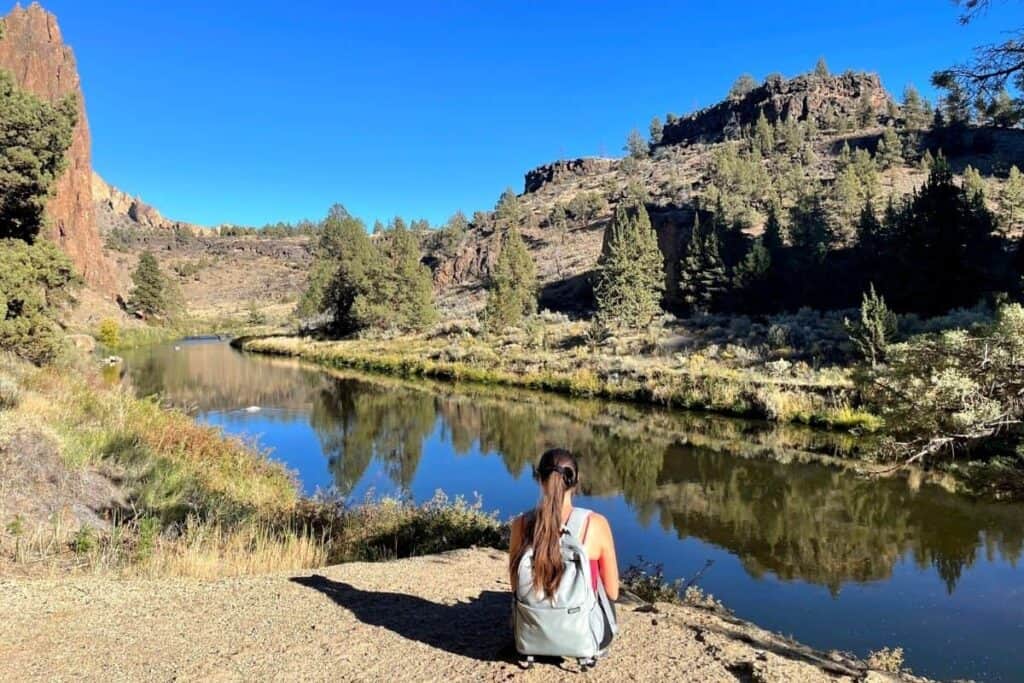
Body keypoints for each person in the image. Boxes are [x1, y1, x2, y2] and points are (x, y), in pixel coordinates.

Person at [509, 449, 619, 655]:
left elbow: (516, 587)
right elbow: (613, 592)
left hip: (529, 636)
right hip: (584, 635)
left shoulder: (521, 524)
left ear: (540, 480)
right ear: (575, 481)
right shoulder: (595, 524)